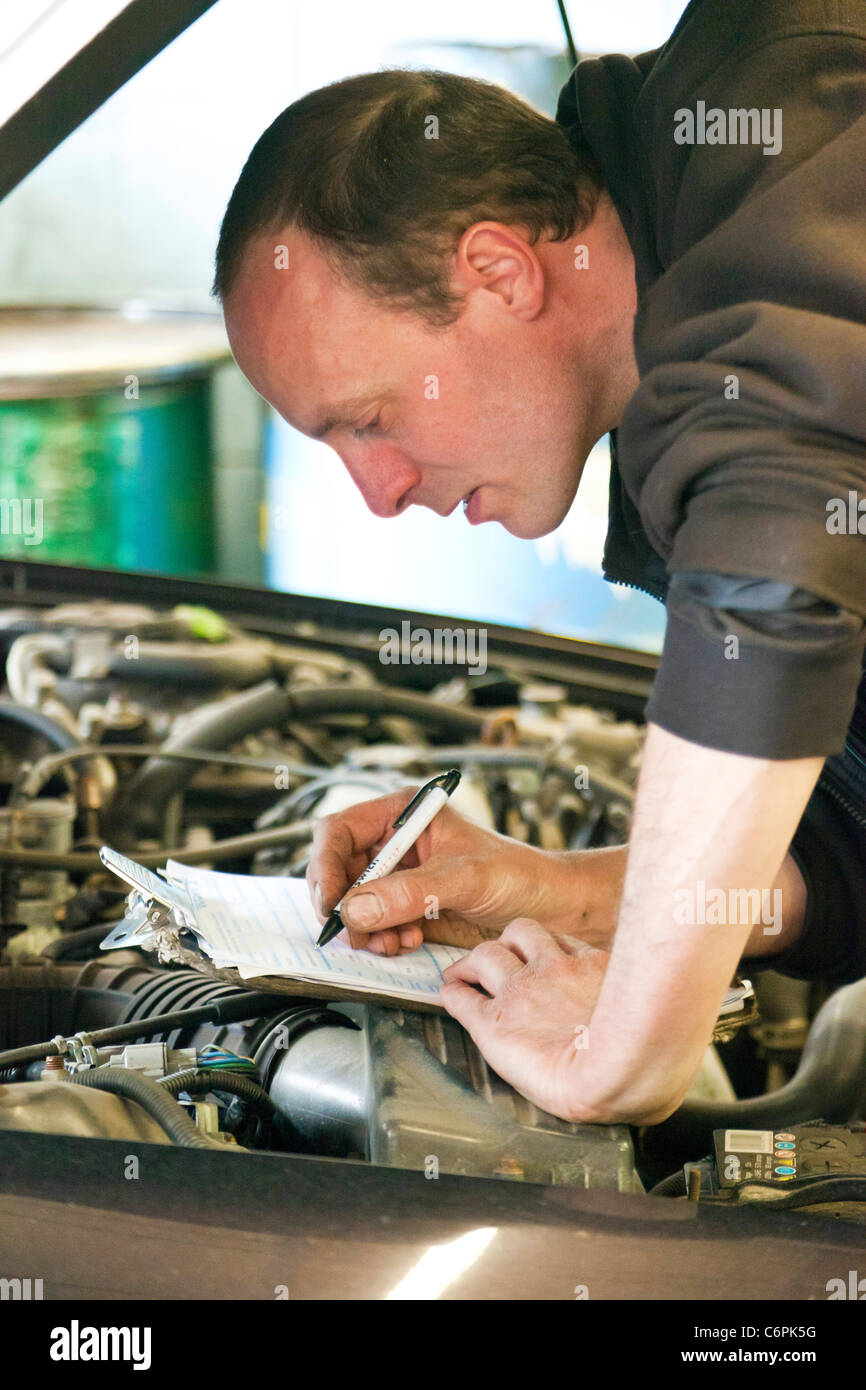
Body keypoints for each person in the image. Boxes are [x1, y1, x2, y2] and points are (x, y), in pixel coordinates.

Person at [212, 0, 866, 1123]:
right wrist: (559, 892)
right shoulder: (698, 370)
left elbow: (777, 544)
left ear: (500, 271)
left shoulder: (778, 106)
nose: (378, 495)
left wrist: (626, 1053)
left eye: (366, 419)